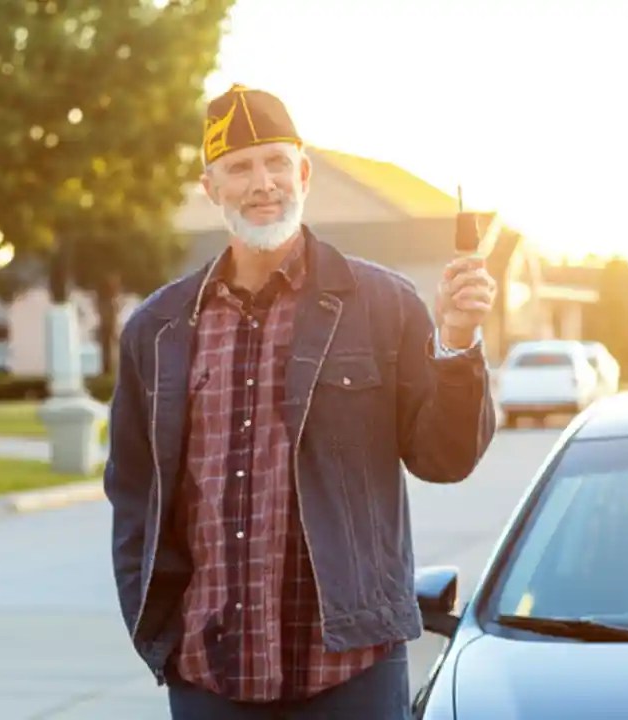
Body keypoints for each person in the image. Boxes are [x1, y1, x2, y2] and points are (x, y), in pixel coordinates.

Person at [104, 84, 498, 719]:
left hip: (350, 668)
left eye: (276, 162)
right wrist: (156, 626)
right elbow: (132, 490)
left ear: (303, 173)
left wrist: (456, 338)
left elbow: (444, 457)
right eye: (239, 168)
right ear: (211, 188)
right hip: (209, 673)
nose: (262, 183)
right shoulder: (159, 329)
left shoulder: (383, 305)